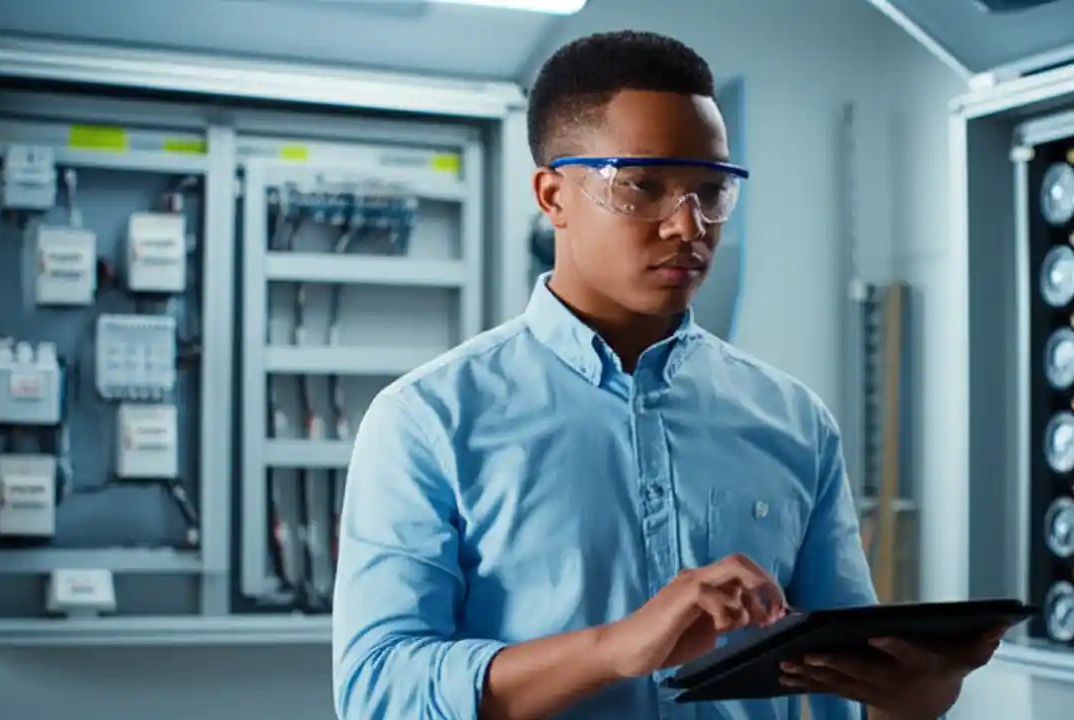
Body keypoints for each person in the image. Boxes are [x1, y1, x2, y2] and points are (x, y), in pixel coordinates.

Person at [331, 29, 1003, 720]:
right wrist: (618, 648)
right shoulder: (427, 419)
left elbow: (848, 683)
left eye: (711, 190)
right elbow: (378, 691)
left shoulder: (794, 422)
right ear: (553, 195)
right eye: (642, 187)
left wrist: (914, 699)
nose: (689, 225)